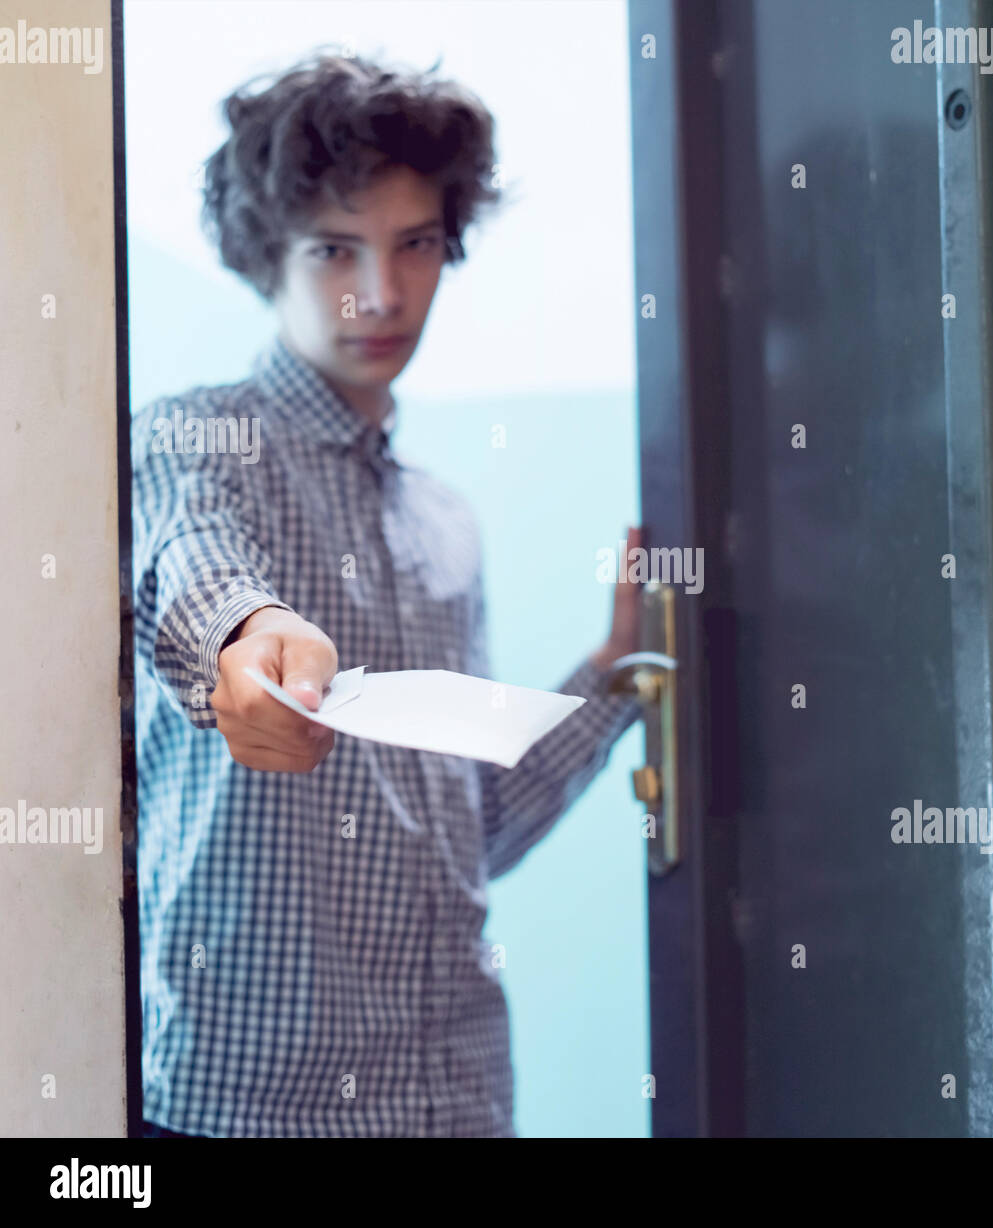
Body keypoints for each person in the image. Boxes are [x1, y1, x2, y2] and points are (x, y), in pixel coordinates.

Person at [130, 52, 643, 1137]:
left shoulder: (446, 524)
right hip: (247, 1108)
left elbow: (470, 829)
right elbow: (193, 557)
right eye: (333, 250)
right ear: (265, 258)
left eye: (414, 245)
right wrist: (248, 632)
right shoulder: (195, 438)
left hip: (451, 1100)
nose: (383, 292)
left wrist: (613, 679)